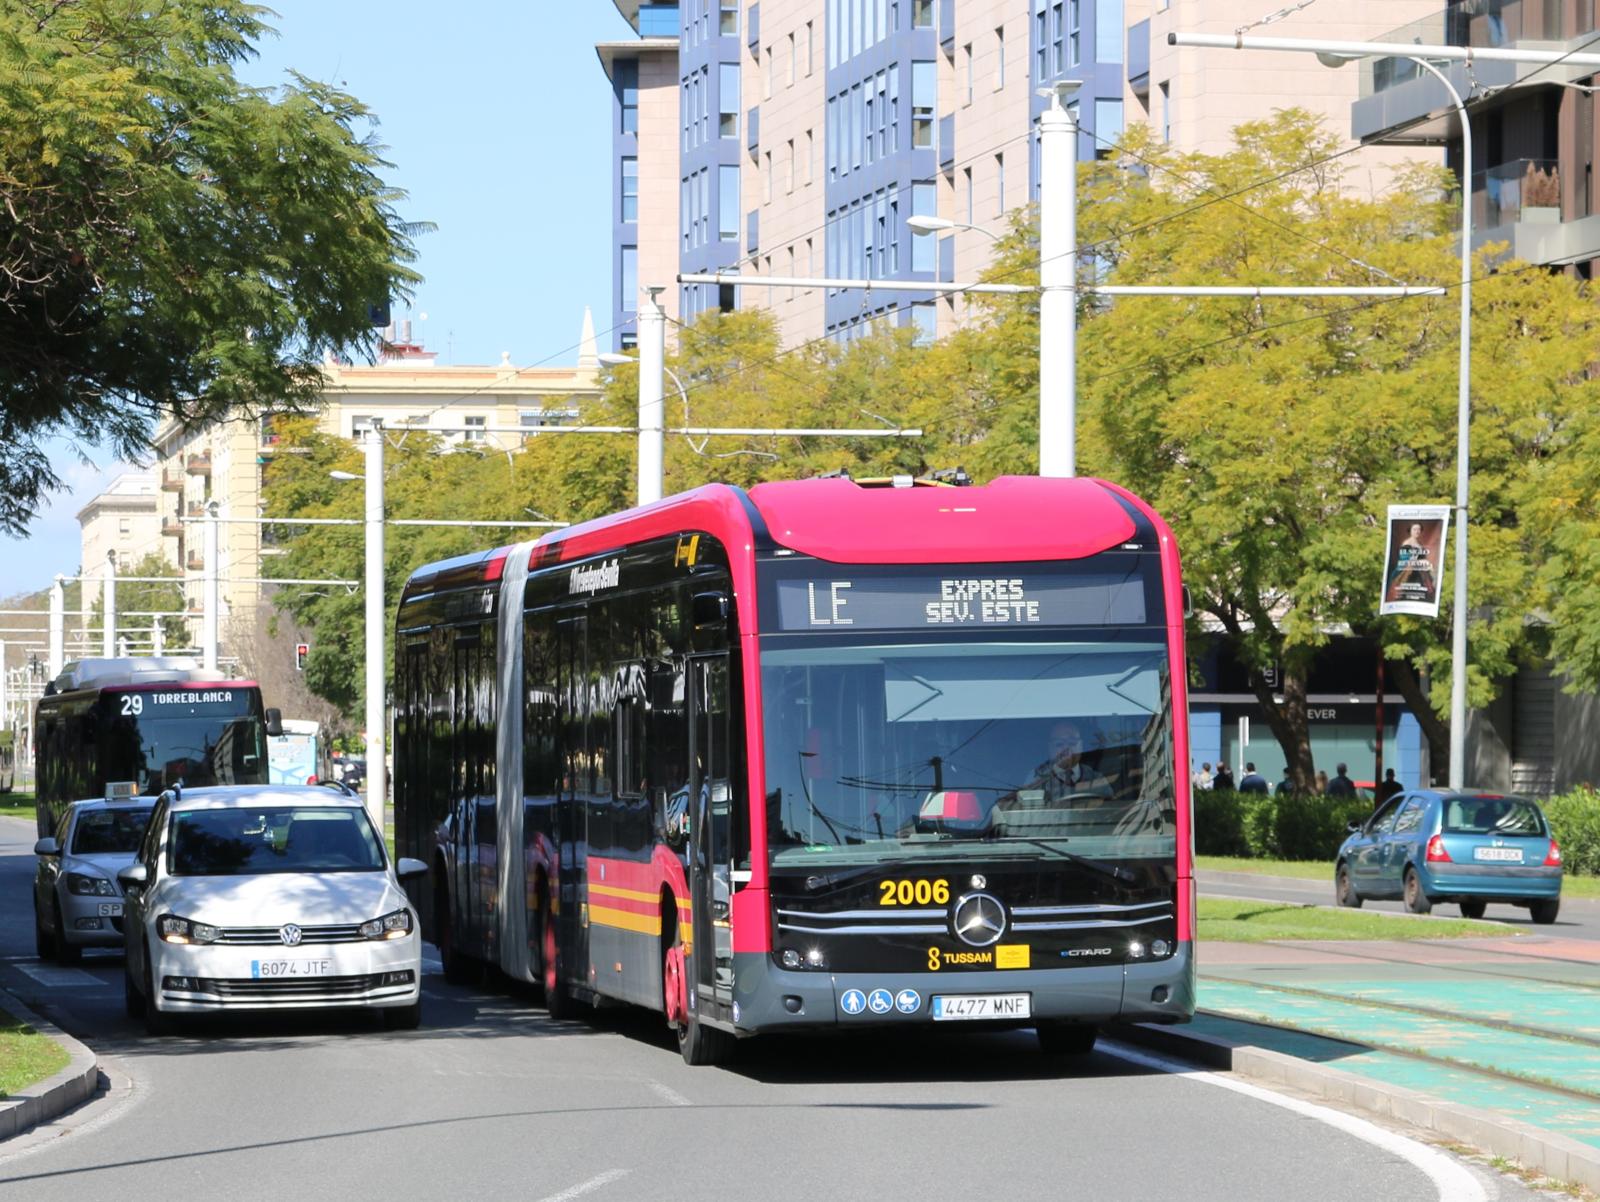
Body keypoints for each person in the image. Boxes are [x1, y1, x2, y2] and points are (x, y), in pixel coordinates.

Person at [1040, 721, 1113, 800]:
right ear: (1050, 748)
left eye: (1072, 743)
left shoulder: (1096, 779)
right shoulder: (1038, 779)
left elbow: (1111, 807)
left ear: (1081, 746)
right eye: (1059, 744)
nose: (1066, 749)